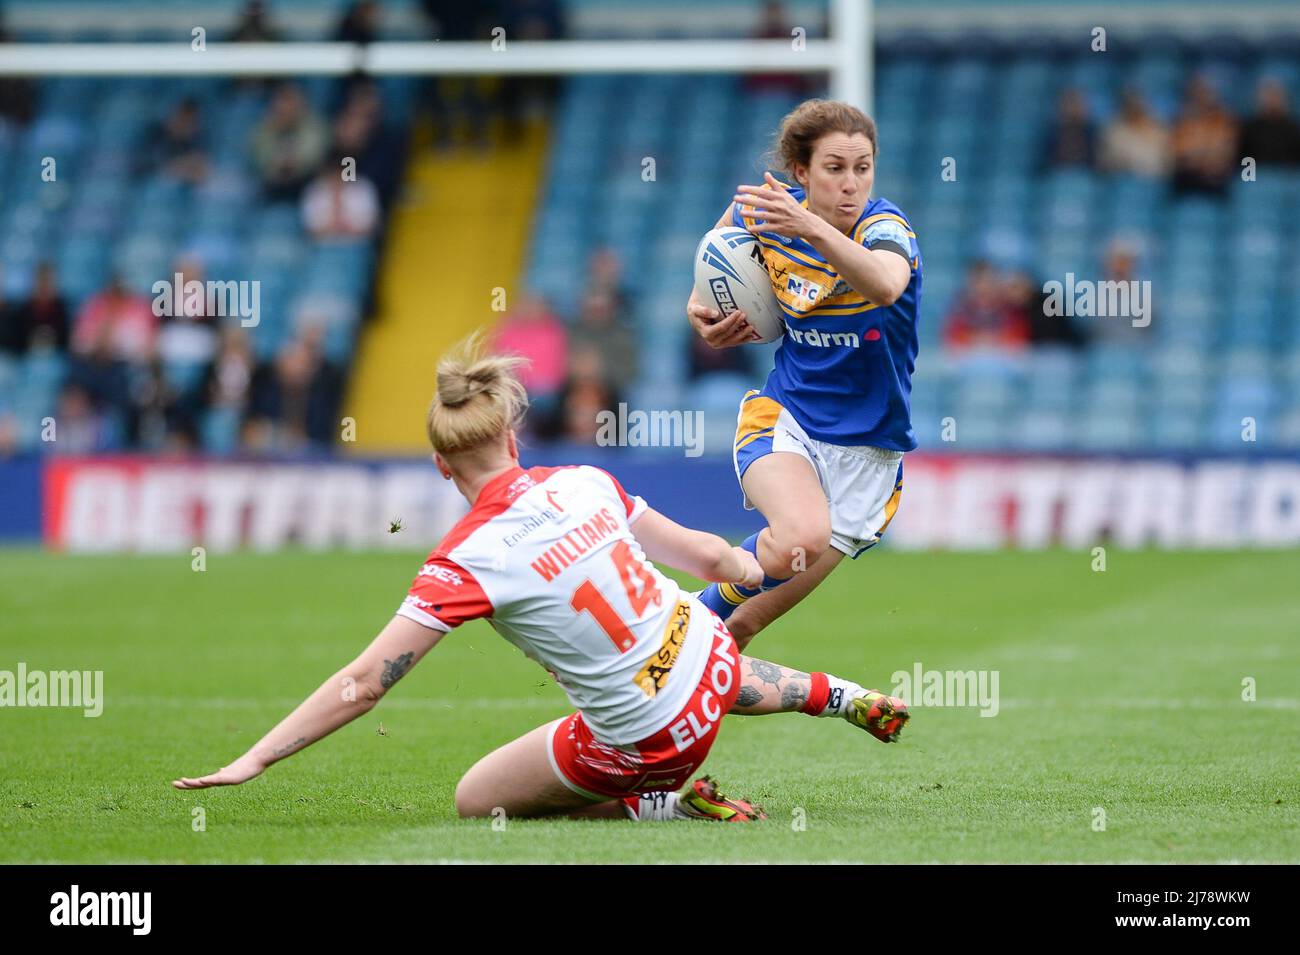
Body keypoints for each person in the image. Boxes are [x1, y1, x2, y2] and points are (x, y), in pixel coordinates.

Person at [173, 342, 909, 822]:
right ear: (512, 440)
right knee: (687, 637)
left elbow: (366, 682)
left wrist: (256, 755)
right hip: (711, 665)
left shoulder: (465, 558)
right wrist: (752, 568)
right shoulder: (584, 479)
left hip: (655, 742)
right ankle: (838, 694)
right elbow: (710, 559)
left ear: (442, 466)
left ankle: (661, 806)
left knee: (476, 801)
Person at [685, 99, 921, 648]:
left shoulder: (885, 227)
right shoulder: (759, 214)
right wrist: (704, 322)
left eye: (862, 168)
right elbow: (703, 293)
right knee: (801, 535)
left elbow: (885, 286)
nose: (851, 184)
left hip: (868, 456)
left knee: (738, 627)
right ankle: (667, 627)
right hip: (786, 418)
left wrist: (810, 229)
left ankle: (674, 631)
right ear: (800, 172)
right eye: (834, 168)